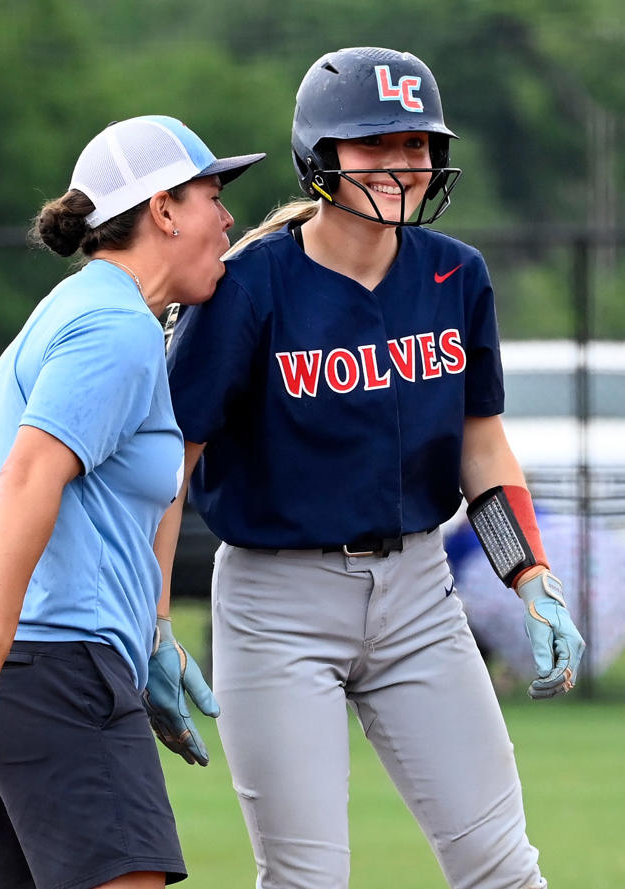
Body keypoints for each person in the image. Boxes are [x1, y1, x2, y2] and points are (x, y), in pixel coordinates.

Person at [155, 49, 586, 889]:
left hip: (421, 591)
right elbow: (170, 462)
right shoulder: (247, 285)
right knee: (306, 879)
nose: (404, 164)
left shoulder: (456, 274)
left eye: (418, 144)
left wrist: (530, 573)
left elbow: (481, 444)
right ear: (321, 159)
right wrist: (152, 616)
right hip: (279, 602)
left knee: (503, 867)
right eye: (376, 144)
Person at [0, 114, 264, 889]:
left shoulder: (59, 316)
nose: (228, 217)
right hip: (61, 670)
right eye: (212, 194)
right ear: (163, 210)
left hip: (18, 681)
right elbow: (30, 476)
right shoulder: (115, 327)